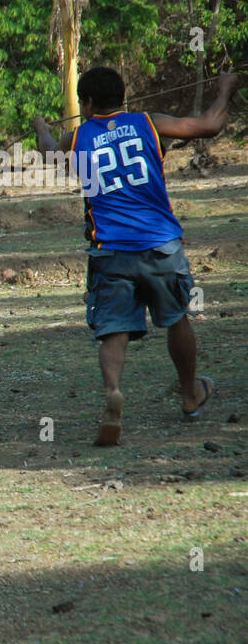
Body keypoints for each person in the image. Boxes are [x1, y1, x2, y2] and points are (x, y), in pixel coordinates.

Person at [34, 68, 237, 446]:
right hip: (161, 245)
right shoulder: (149, 123)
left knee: (113, 331)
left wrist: (41, 125)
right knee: (177, 319)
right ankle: (190, 394)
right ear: (122, 98)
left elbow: (48, 157)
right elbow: (210, 126)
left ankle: (113, 393)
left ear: (89, 103)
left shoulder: (76, 137)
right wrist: (225, 89)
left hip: (111, 251)